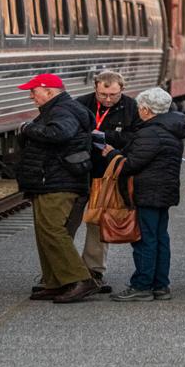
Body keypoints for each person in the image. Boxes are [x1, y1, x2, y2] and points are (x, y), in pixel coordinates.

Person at [15, 73, 100, 303]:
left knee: (53, 231)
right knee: (45, 232)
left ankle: (80, 280)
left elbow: (59, 133)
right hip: (50, 180)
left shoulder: (63, 110)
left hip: (59, 180)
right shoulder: (58, 109)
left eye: (34, 91)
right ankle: (56, 282)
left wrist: (27, 129)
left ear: (49, 91)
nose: (31, 96)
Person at [108, 88, 185, 302]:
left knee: (145, 239)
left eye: (139, 108)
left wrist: (112, 154)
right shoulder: (171, 128)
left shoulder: (150, 132)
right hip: (164, 190)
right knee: (160, 237)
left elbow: (133, 163)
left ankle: (142, 285)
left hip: (148, 191)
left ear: (145, 109)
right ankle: (160, 285)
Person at [68, 70, 141, 293]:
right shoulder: (80, 105)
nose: (107, 100)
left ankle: (93, 270)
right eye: (102, 95)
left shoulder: (132, 108)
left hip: (108, 174)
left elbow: (137, 138)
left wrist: (107, 137)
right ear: (95, 89)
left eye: (113, 95)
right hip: (79, 172)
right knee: (68, 222)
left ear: (122, 90)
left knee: (98, 222)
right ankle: (65, 269)